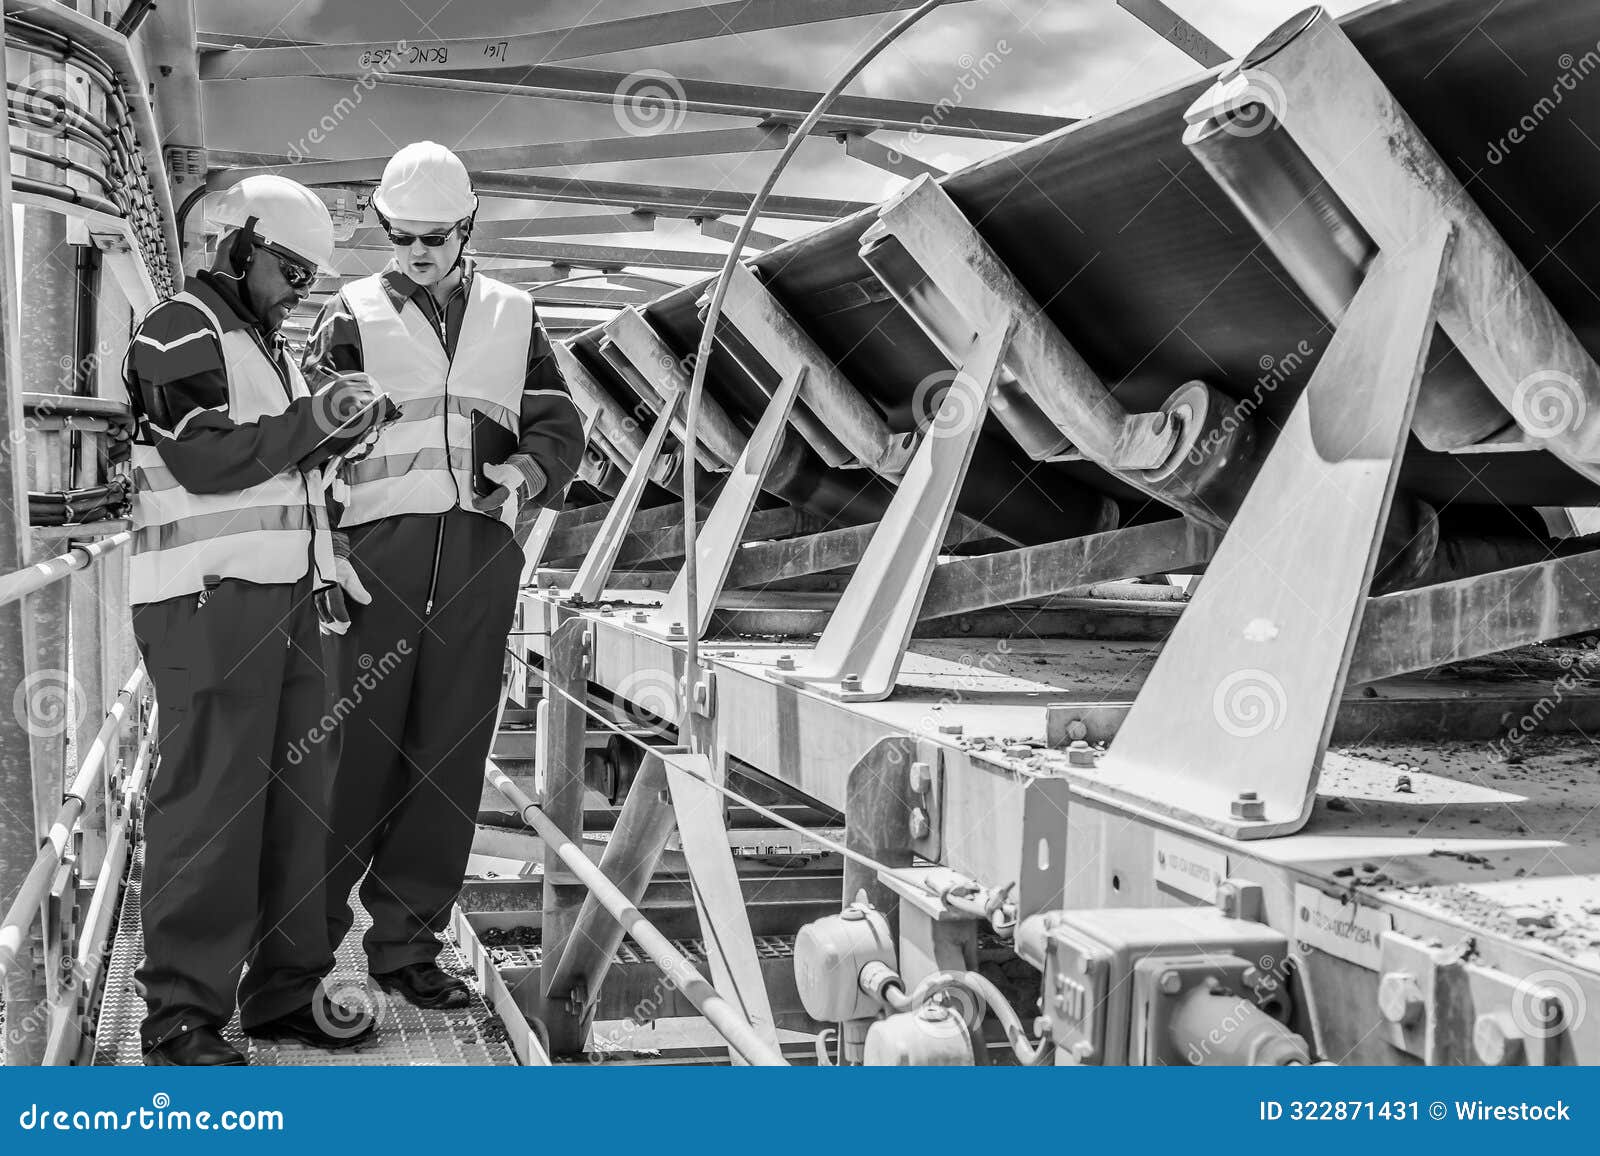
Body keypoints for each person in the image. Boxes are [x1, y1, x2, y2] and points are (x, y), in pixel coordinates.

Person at [302, 141, 584, 1009]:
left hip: (478, 557)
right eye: (401, 236)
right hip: (372, 561)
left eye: (435, 236)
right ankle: (300, 947)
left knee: (448, 757)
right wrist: (322, 553)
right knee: (349, 753)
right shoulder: (349, 313)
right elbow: (303, 445)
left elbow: (559, 419)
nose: (417, 251)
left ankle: (408, 944)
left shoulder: (514, 313)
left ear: (469, 227)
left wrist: (531, 472)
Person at [123, 174, 390, 1064]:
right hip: (209, 602)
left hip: (293, 603)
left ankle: (284, 989)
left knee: (298, 804)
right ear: (238, 245)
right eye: (286, 268)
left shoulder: (268, 346)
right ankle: (182, 1014)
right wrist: (310, 421)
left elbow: (284, 466)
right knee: (213, 803)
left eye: (308, 278)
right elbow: (201, 460)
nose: (296, 291)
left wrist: (333, 432)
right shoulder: (177, 328)